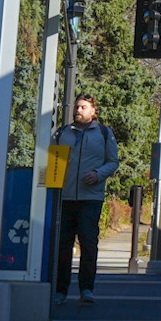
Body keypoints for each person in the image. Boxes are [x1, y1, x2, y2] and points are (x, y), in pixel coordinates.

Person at [53, 95, 118, 306]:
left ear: (93, 111)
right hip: (66, 197)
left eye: (83, 107)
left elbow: (113, 162)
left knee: (88, 243)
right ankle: (60, 290)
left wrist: (98, 174)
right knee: (63, 245)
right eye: (77, 106)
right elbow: (53, 163)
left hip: (91, 197)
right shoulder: (63, 133)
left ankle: (86, 288)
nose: (78, 110)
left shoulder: (103, 134)